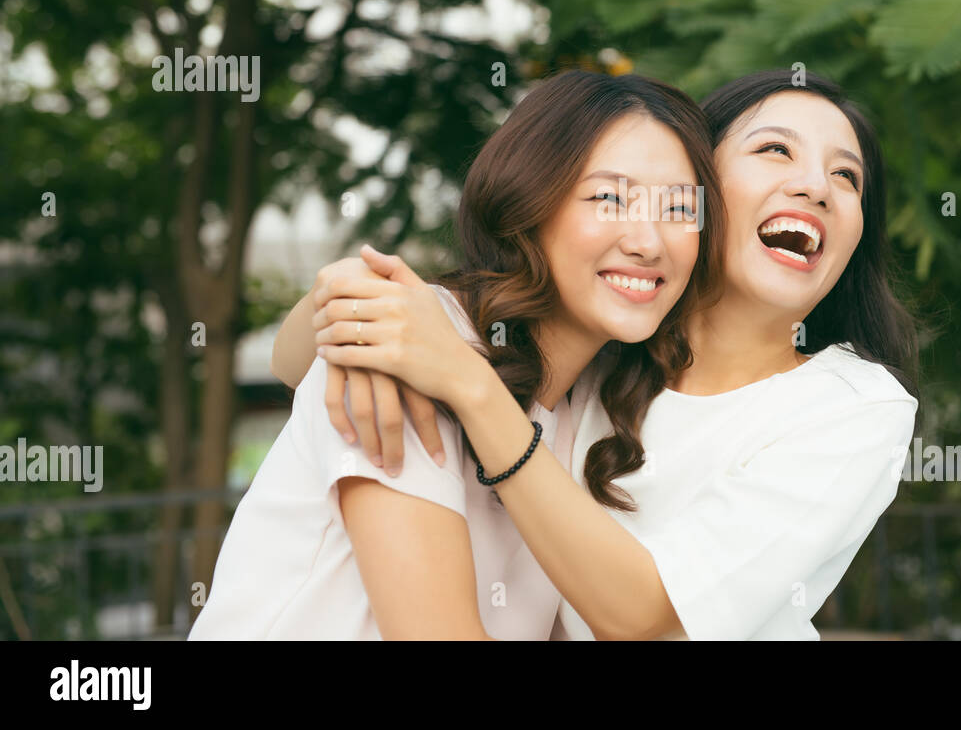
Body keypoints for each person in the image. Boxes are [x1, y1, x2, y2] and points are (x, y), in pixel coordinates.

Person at [299, 69, 922, 639]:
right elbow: (294, 362)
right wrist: (354, 295)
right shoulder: (602, 357)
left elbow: (640, 614)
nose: (817, 186)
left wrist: (465, 381)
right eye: (774, 149)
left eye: (848, 176)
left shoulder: (852, 406)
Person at [187, 70, 725, 639]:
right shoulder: (408, 344)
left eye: (678, 208)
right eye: (609, 198)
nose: (648, 241)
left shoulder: (597, 407)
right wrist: (343, 303)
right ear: (530, 203)